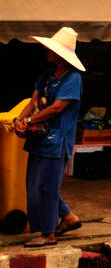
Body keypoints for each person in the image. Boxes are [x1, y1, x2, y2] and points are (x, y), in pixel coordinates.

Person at [13, 27, 84, 247]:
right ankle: (68, 218)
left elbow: (57, 108)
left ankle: (47, 233)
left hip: (57, 141)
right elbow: (33, 101)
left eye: (51, 49)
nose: (46, 51)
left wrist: (29, 122)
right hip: (39, 139)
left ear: (62, 55)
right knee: (35, 185)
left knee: (45, 188)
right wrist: (19, 120)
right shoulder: (45, 76)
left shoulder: (73, 79)